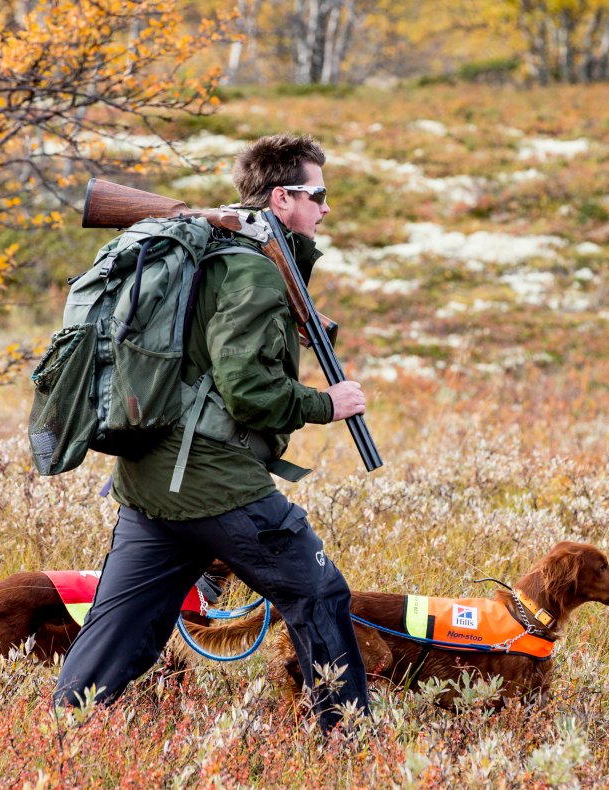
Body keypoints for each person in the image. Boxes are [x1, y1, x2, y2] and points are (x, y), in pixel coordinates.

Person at [53, 134, 371, 731]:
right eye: (318, 194)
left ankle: (61, 729)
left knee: (118, 627)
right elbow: (249, 392)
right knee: (320, 593)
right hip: (214, 481)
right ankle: (349, 737)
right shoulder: (252, 271)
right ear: (281, 198)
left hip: (150, 478)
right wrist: (325, 404)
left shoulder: (212, 251)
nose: (326, 207)